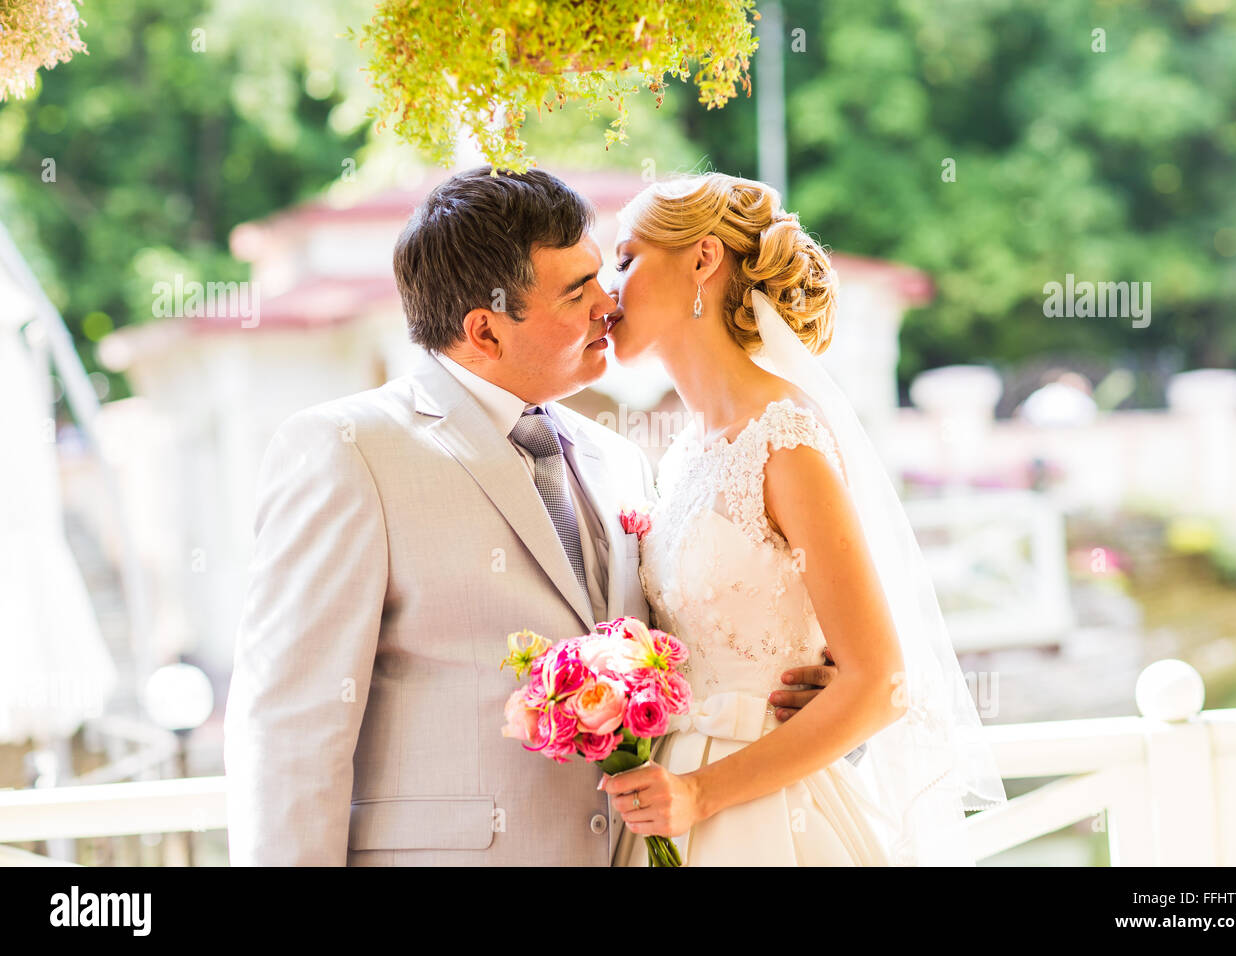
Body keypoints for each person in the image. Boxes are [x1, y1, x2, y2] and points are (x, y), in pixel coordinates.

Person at [221, 165, 839, 865]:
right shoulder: (350, 450)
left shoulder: (620, 460)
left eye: (602, 275)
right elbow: (289, 726)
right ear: (484, 331)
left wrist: (813, 679)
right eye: (577, 292)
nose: (609, 303)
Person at [601, 172, 1007, 866]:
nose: (610, 286)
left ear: (703, 260)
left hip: (757, 813)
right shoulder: (683, 454)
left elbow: (879, 683)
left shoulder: (784, 440)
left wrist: (700, 792)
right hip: (668, 809)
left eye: (627, 259)